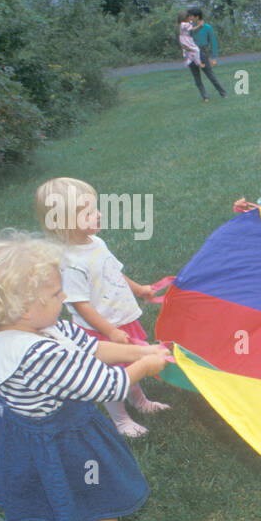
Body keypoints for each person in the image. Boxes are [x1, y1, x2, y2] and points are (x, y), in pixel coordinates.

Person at [0, 232, 173, 521]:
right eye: (54, 293)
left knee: (79, 498)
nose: (64, 296)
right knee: (99, 501)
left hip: (41, 438)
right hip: (65, 439)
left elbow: (92, 349)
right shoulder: (39, 354)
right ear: (23, 306)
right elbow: (106, 385)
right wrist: (144, 368)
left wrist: (142, 352)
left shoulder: (23, 329)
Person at [36, 176, 169, 438]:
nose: (98, 214)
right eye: (88, 213)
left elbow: (114, 273)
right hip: (99, 330)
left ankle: (139, 400)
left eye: (95, 208)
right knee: (109, 374)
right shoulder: (71, 261)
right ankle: (120, 419)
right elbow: (80, 305)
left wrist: (139, 289)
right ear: (63, 221)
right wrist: (109, 331)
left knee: (130, 362)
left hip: (120, 320)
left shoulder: (96, 243)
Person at [186, 7, 227, 99]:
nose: (190, 18)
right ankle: (205, 97)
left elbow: (213, 42)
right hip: (191, 53)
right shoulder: (189, 27)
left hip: (202, 53)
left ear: (197, 17)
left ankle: (223, 93)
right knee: (197, 78)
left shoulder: (208, 28)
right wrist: (197, 26)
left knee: (210, 75)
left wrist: (214, 57)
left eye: (191, 16)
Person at [177, 11, 210, 102]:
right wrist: (199, 25)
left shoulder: (183, 24)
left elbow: (191, 24)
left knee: (191, 52)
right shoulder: (184, 24)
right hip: (186, 39)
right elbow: (192, 29)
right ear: (184, 18)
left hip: (186, 39)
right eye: (188, 17)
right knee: (196, 50)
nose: (190, 19)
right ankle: (198, 63)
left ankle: (190, 60)